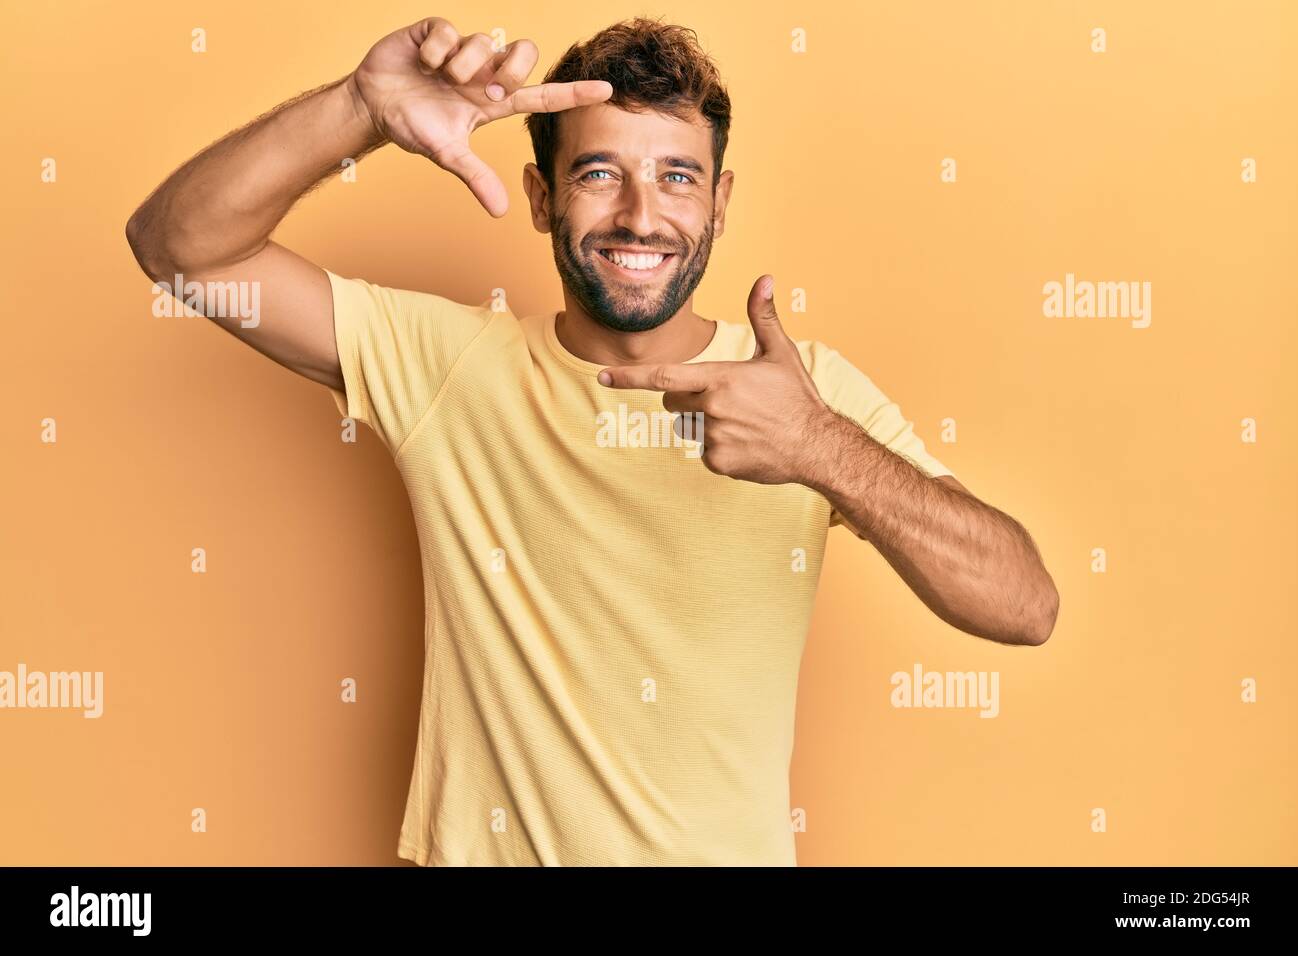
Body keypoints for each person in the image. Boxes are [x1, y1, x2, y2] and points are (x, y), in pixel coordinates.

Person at [126, 15, 1059, 866]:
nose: (641, 216)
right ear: (540, 197)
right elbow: (182, 249)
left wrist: (819, 446)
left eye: (677, 177)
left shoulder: (804, 395)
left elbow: (1024, 605)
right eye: (599, 172)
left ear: (720, 203)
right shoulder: (448, 368)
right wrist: (360, 108)